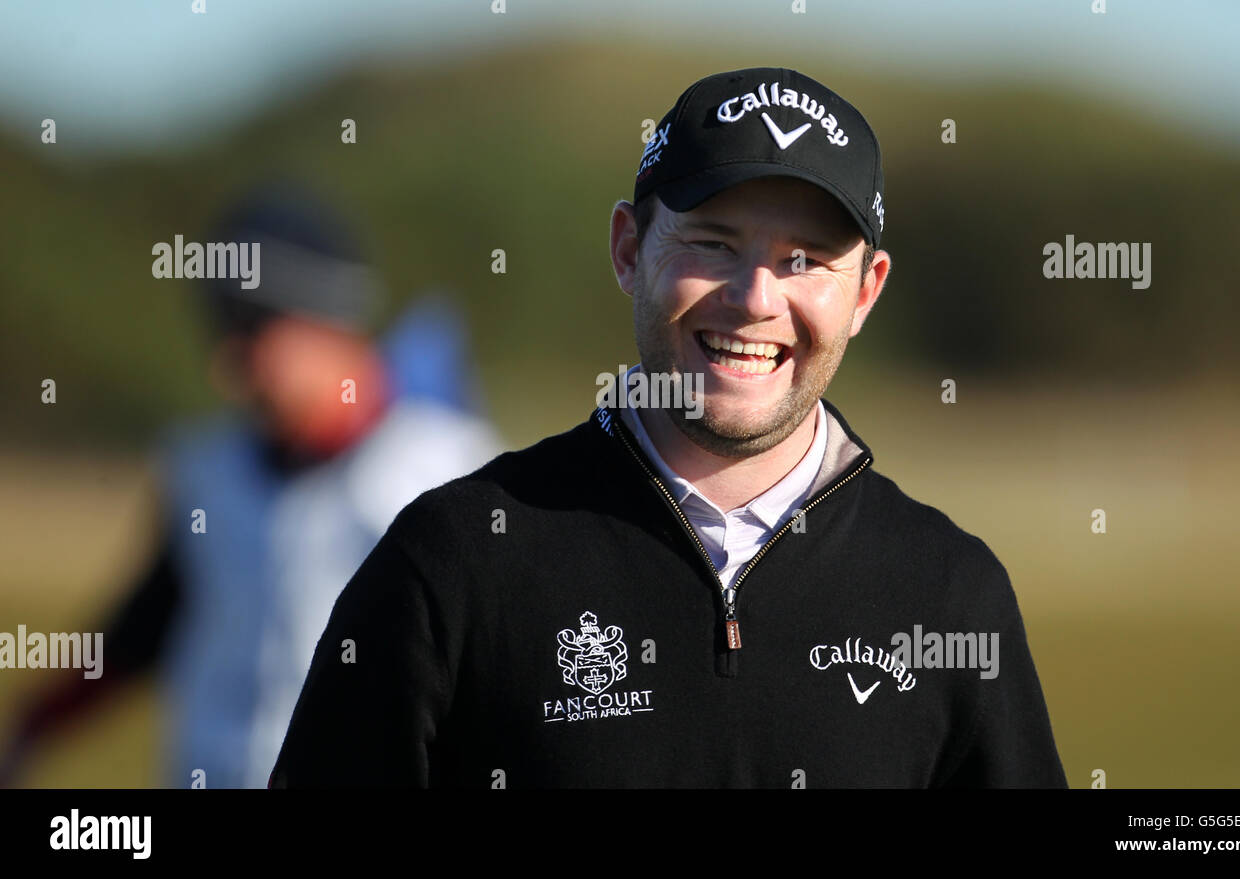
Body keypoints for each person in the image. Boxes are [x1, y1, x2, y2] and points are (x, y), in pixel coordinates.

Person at [270, 68, 1067, 788]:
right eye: (713, 244)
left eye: (806, 260)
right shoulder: (456, 558)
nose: (756, 298)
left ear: (865, 293)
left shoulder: (952, 594)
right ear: (628, 249)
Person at [0, 184, 501, 789]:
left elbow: (509, 679)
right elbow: (140, 634)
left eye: (254, 329)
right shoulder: (208, 476)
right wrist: (31, 725)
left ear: (331, 321)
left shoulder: (446, 477)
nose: (229, 362)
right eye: (221, 330)